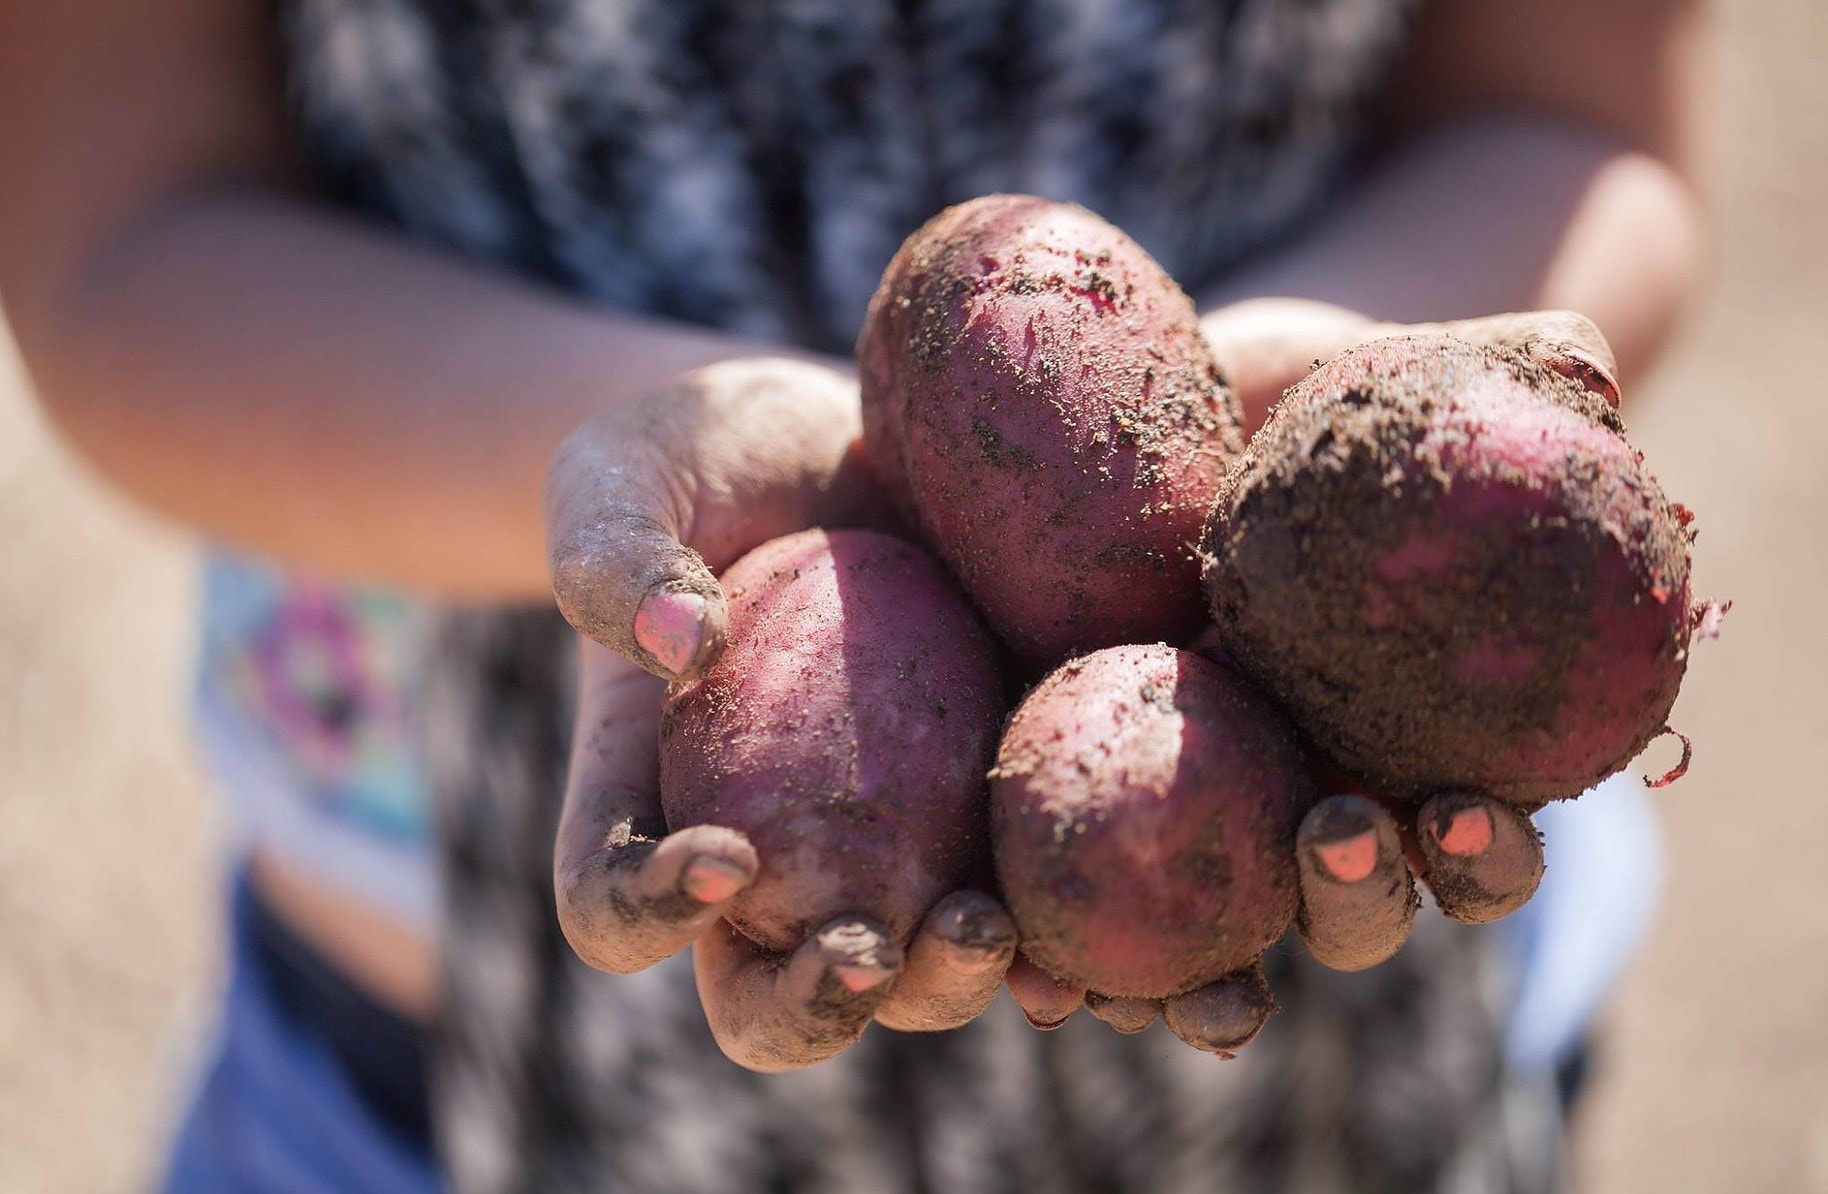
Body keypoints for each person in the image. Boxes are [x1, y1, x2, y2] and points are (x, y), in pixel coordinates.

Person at [0, 0, 1703, 1190]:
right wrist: (624, 468)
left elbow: (1573, 118)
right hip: (426, 1073)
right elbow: (115, 243)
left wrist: (1339, 451)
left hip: (1345, 1065)